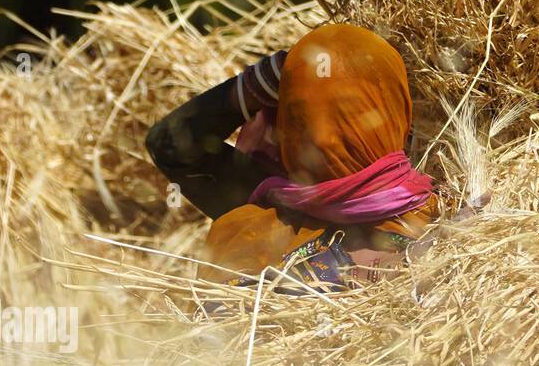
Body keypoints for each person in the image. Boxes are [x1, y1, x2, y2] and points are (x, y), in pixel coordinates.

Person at [146, 24, 438, 291]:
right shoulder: (273, 206)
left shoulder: (454, 226)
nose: (324, 136)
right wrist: (267, 80)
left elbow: (170, 145)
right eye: (303, 116)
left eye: (348, 113)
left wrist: (259, 87)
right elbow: (169, 145)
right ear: (400, 113)